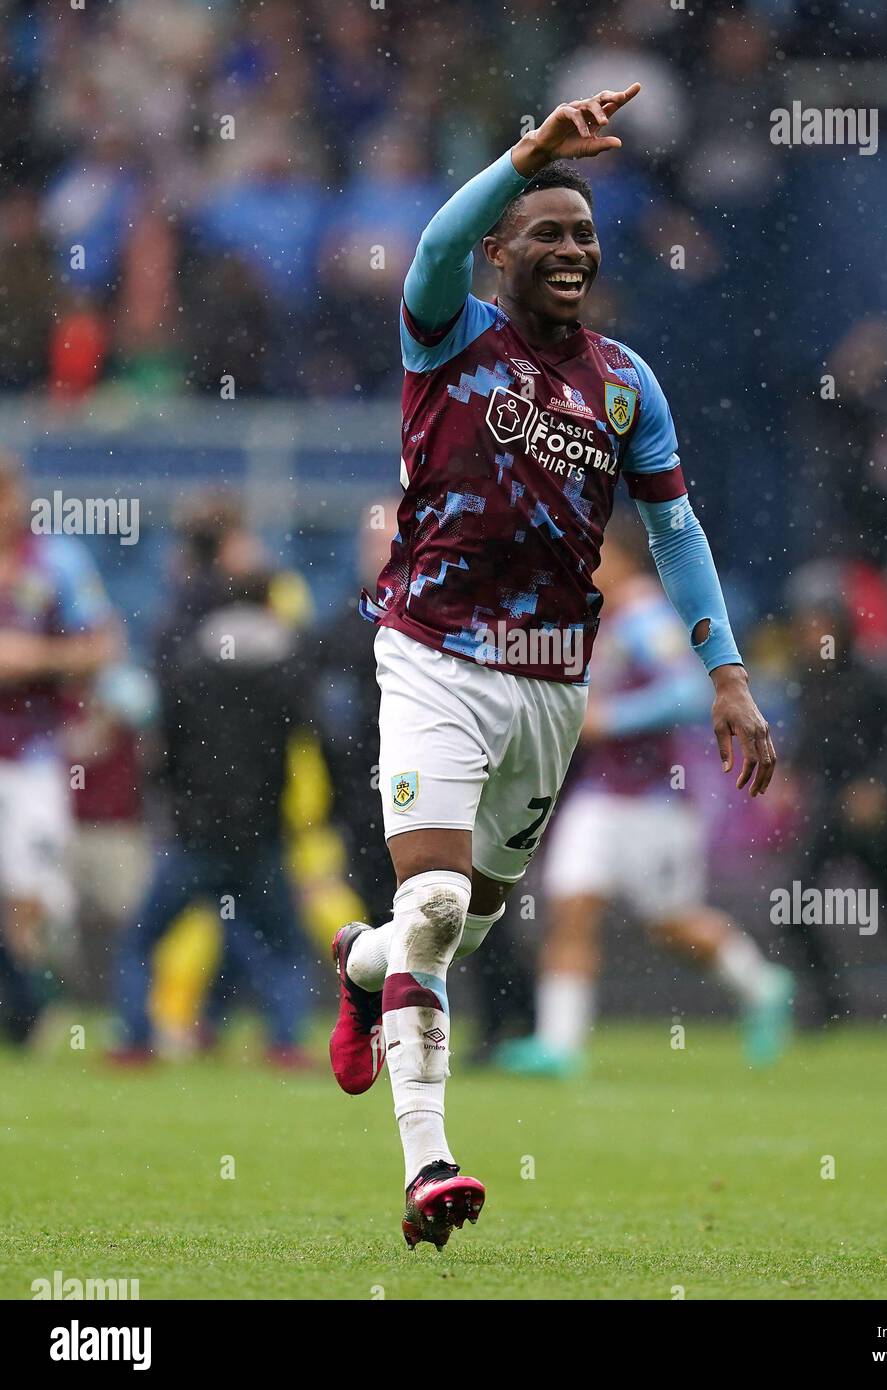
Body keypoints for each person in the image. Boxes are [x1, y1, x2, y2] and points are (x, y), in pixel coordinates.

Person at [328, 84, 776, 1249]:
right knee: (431, 899)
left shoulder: (625, 383)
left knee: (452, 931)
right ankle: (430, 1164)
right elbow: (429, 244)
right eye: (548, 232)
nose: (573, 249)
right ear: (500, 253)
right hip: (430, 652)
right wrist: (527, 148)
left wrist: (723, 671)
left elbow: (672, 530)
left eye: (584, 233)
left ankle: (359, 965)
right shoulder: (449, 330)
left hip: (549, 683)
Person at [495, 514, 793, 1077]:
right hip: (600, 795)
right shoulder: (605, 615)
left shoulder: (646, 616)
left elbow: (686, 691)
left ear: (623, 555)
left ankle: (762, 984)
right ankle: (559, 1046)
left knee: (671, 924)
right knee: (571, 907)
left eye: (595, 551)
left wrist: (613, 719)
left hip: (654, 800)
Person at [111, 571, 314, 1066]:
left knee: (141, 940)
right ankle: (285, 1043)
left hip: (194, 836)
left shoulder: (189, 665)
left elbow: (162, 754)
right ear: (269, 605)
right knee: (285, 946)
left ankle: (136, 1042)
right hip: (261, 836)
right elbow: (311, 744)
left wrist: (175, 806)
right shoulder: (288, 670)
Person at [785, 560, 887, 1045]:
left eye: (819, 621)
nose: (811, 633)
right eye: (805, 623)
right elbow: (815, 737)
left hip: (877, 816)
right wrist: (790, 773)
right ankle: (832, 1004)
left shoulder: (875, 674)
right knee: (794, 903)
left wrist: (879, 786)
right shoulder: (810, 676)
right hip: (831, 807)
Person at [0, 451, 119, 1042]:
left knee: (33, 889)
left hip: (33, 757)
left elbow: (104, 645)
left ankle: (28, 1010)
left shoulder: (57, 559)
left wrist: (34, 658)